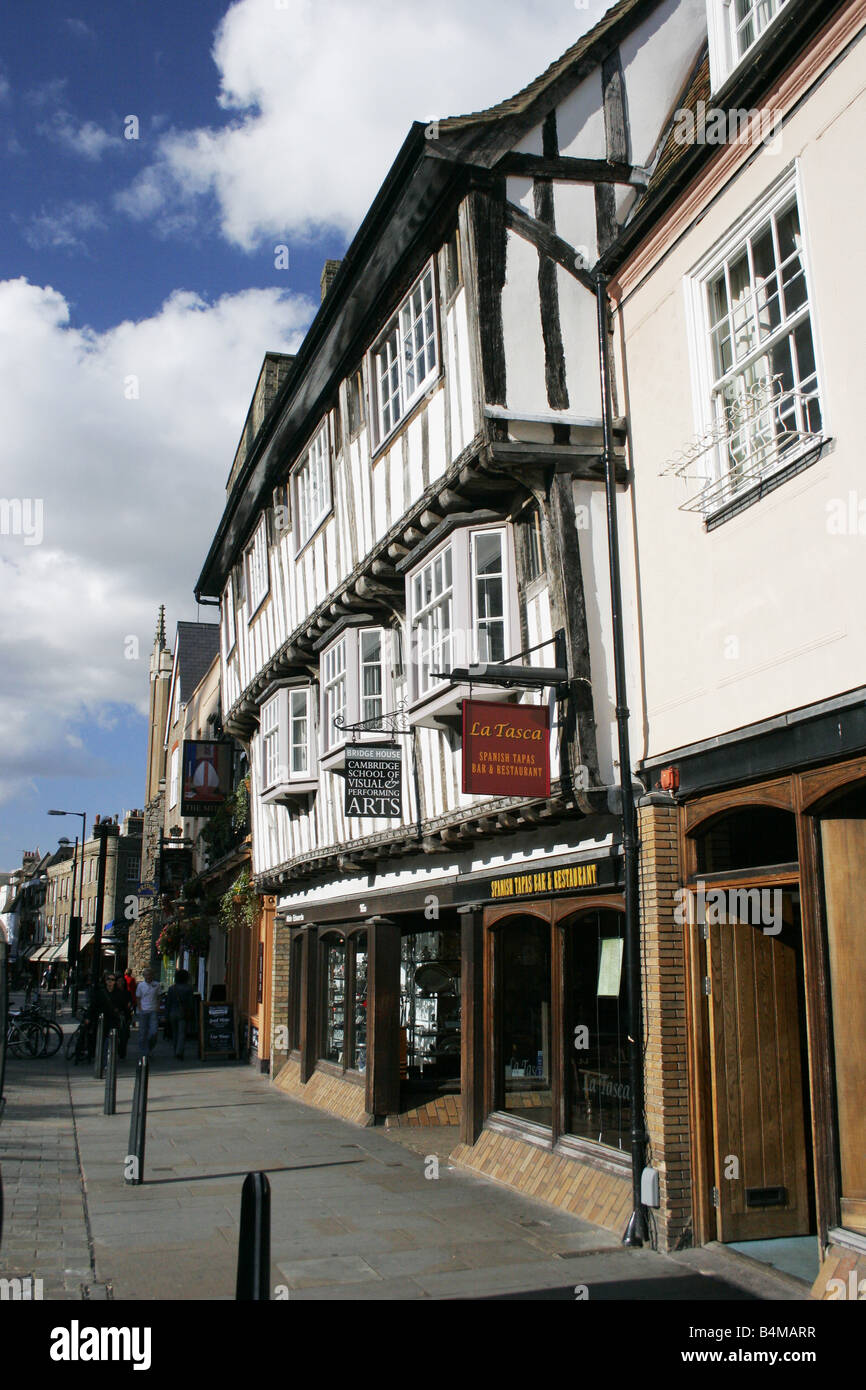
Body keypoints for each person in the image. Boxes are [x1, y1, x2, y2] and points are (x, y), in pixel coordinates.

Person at [165, 969, 195, 1061]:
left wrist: (166, 1015)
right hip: (183, 1012)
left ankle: (175, 1050)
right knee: (182, 1033)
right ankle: (179, 1051)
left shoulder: (171, 988)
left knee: (175, 1032)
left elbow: (168, 1003)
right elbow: (190, 1003)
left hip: (172, 1012)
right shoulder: (189, 988)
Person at [135, 969, 161, 1058]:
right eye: (146, 975)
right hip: (143, 1010)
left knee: (154, 1032)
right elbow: (138, 997)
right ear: (144, 976)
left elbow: (158, 997)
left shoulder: (157, 985)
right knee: (142, 1033)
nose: (148, 977)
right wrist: (140, 1008)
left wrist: (158, 1007)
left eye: (150, 975)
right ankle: (144, 1052)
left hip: (153, 1010)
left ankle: (149, 1048)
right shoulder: (141, 985)